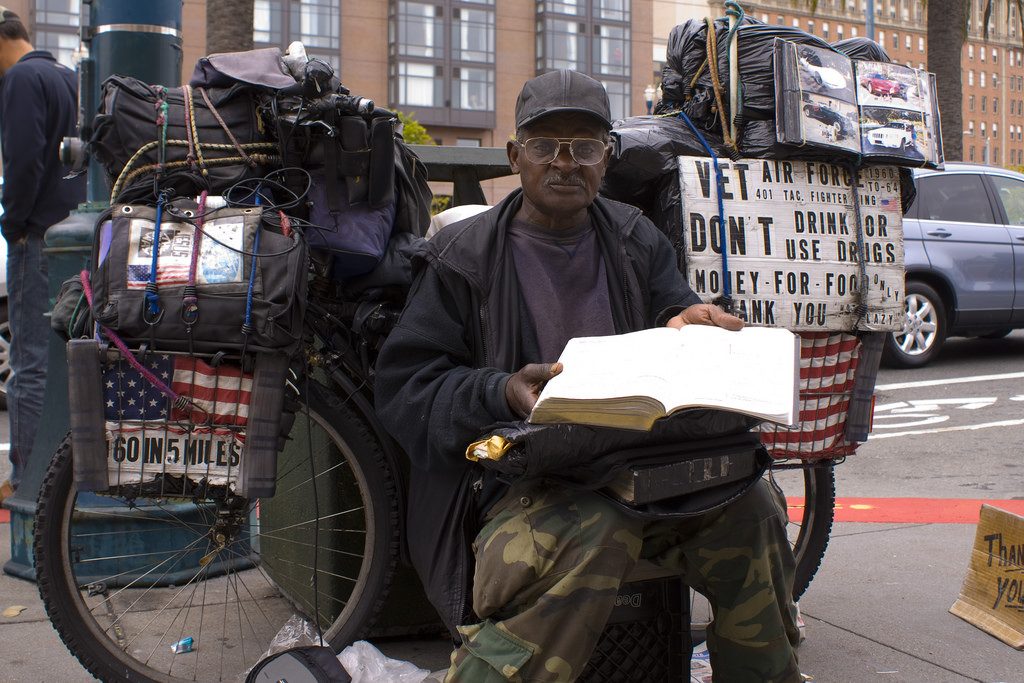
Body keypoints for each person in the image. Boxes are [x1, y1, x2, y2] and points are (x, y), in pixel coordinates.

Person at [375, 69, 801, 682]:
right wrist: (500, 391)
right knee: (592, 528)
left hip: (641, 470)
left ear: (608, 156)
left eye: (585, 146)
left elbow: (668, 318)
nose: (565, 163)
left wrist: (689, 326)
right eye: (546, 145)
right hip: (520, 486)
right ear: (515, 156)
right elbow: (408, 389)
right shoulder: (462, 258)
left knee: (753, 509)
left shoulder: (635, 238)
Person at [0, 7, 85, 493]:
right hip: (76, 237)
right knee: (63, 364)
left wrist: (12, 224)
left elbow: (24, 162)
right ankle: (58, 480)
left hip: (38, 238)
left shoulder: (21, 81)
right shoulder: (69, 77)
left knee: (29, 365)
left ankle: (26, 479)